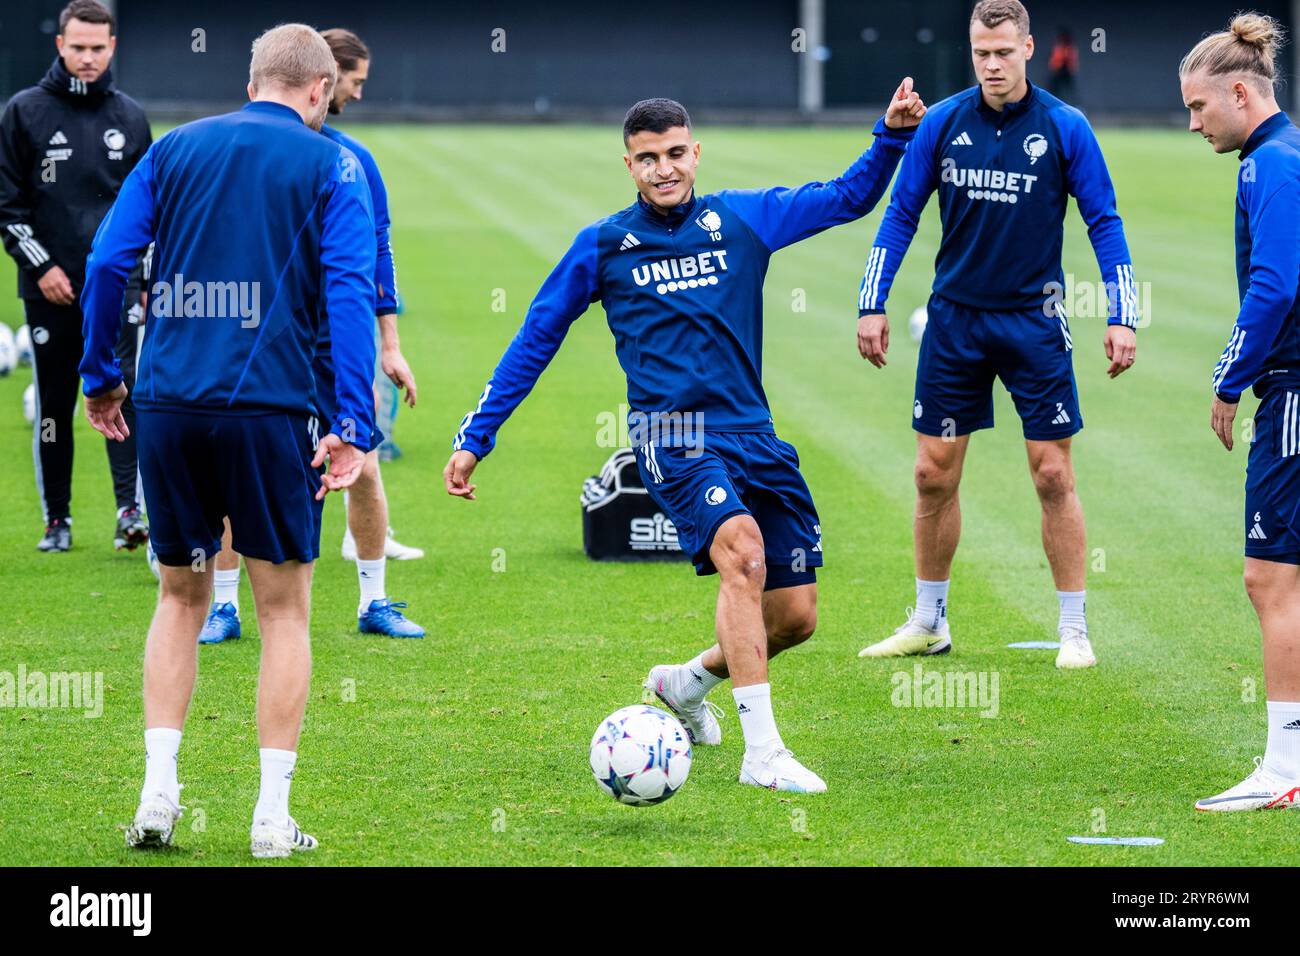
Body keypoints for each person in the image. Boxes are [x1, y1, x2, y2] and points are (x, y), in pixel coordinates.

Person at [445, 85, 926, 793]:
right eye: (647, 159)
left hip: (754, 434)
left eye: (675, 154)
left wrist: (888, 135)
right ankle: (762, 754)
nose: (663, 169)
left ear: (695, 153)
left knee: (794, 617)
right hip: (670, 435)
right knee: (743, 552)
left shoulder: (742, 219)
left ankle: (685, 683)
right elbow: (535, 340)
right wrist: (475, 437)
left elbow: (848, 197)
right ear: (629, 165)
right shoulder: (604, 246)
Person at [79, 23, 377, 856]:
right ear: (319, 91)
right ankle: (271, 817)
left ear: (254, 80)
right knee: (284, 610)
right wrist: (353, 425)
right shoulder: (333, 164)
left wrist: (102, 375)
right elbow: (350, 294)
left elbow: (107, 262)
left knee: (180, 596)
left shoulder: (175, 148)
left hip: (168, 404)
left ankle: (157, 797)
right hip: (270, 409)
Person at [855, 0, 1139, 669]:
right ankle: (929, 620)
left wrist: (1123, 314)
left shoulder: (1065, 127)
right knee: (932, 474)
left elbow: (1105, 220)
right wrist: (872, 303)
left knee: (1051, 474)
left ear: (1029, 48)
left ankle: (1074, 630)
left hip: (1033, 323)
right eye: (982, 53)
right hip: (954, 322)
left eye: (1004, 52)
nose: (991, 65)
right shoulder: (943, 122)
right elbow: (900, 213)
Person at [197, 27, 424, 646]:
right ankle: (223, 606)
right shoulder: (243, 155)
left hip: (333, 347)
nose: (351, 92)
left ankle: (373, 600)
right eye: (351, 80)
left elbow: (379, 253)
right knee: (229, 474)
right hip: (260, 347)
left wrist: (391, 343)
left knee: (365, 465)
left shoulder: (353, 160)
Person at [1181, 13, 1300, 811]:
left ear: (1238, 91)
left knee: (1271, 576)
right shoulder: (1283, 156)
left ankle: (1284, 769)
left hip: (1291, 392)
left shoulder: (1270, 167)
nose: (1193, 124)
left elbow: (1276, 285)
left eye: (1198, 108)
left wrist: (1229, 379)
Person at [0, 0, 151, 553]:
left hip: (117, 289)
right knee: (55, 403)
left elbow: (149, 211)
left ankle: (129, 512)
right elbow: (7, 206)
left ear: (112, 47)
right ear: (59, 46)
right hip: (49, 289)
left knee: (123, 393)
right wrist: (41, 268)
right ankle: (57, 519)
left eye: (97, 48)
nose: (87, 58)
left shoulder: (130, 116)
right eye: (77, 47)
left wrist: (146, 280)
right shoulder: (24, 111)